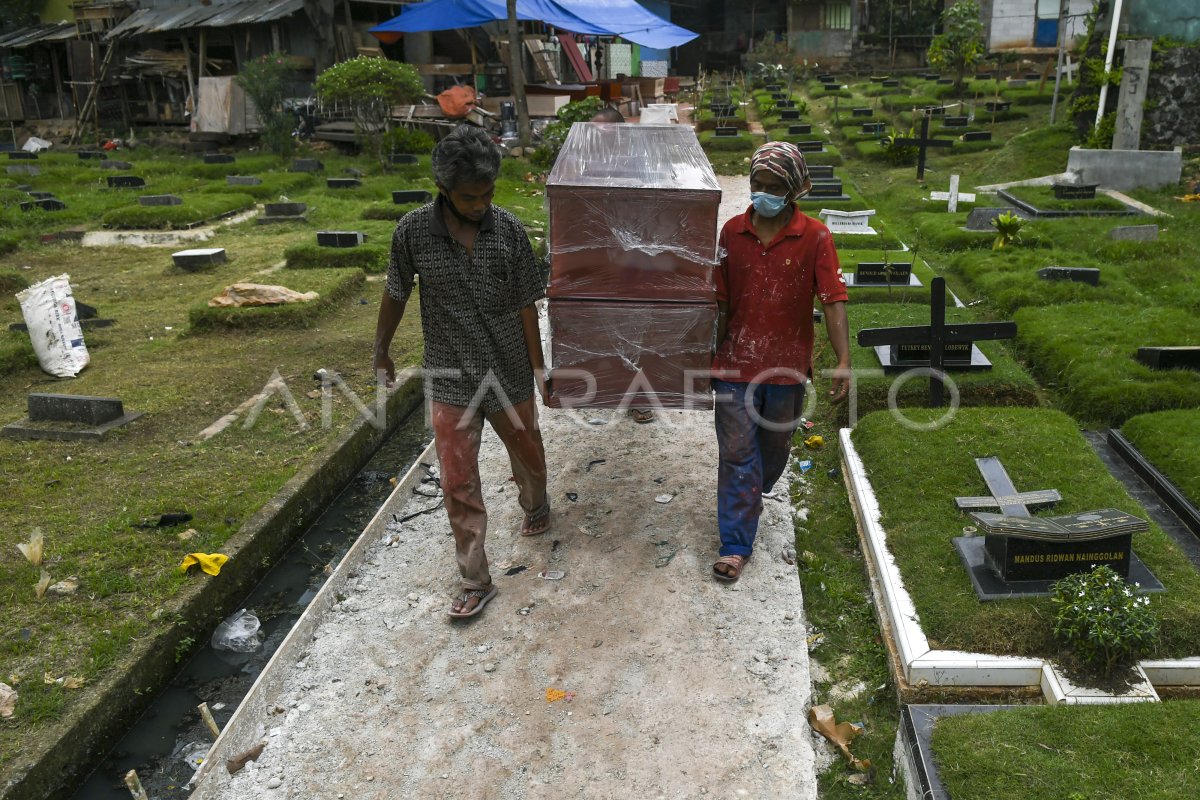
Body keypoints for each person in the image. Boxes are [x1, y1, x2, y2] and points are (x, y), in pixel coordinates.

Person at [373, 124, 551, 619]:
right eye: (471, 197)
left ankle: (536, 503)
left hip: (509, 368)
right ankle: (474, 579)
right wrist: (381, 350)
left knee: (528, 451)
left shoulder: (510, 230)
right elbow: (395, 291)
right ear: (445, 191)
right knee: (457, 481)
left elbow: (525, 305)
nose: (481, 204)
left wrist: (540, 370)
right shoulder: (412, 232)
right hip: (450, 375)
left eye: (488, 193)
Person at [710, 141, 851, 582]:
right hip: (735, 364)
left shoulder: (815, 237)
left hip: (786, 368)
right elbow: (718, 302)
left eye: (774, 187)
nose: (763, 193)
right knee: (736, 452)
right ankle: (735, 544)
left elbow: (833, 302)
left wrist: (843, 360)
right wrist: (704, 359)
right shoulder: (732, 233)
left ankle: (755, 490)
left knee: (772, 451)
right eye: (757, 184)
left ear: (794, 191)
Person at [586, 105, 655, 424]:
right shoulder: (582, 165)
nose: (597, 141)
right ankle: (608, 386)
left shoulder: (636, 165)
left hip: (633, 259)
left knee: (636, 324)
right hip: (597, 258)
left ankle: (639, 396)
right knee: (603, 322)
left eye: (604, 135)